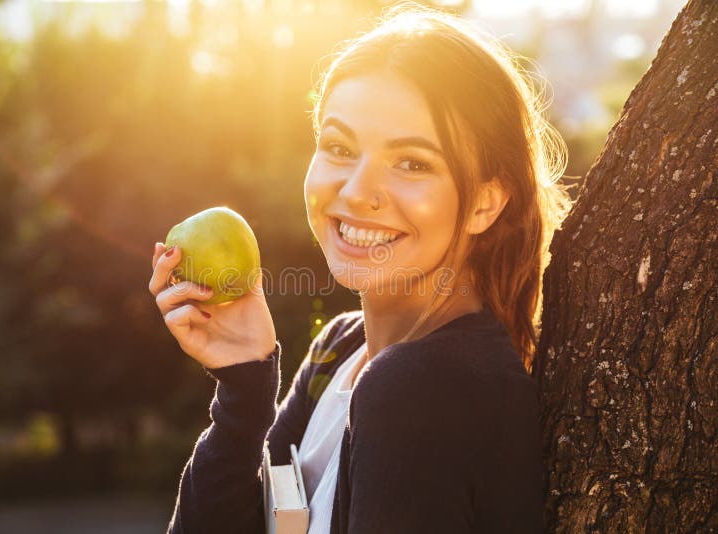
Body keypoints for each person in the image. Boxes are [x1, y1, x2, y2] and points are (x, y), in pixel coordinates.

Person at [148, 2, 573, 532]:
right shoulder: (341, 349)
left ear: (487, 202)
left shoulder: (421, 392)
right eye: (338, 147)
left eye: (412, 162)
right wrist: (244, 385)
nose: (355, 192)